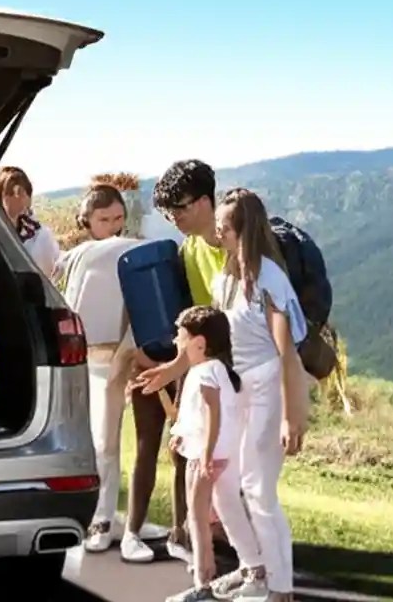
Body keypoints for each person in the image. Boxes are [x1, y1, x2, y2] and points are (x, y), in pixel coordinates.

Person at [138, 187, 312, 602]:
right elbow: (211, 343)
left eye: (224, 229)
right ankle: (253, 570)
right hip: (242, 386)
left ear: (244, 231)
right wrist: (170, 371)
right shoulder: (224, 280)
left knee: (257, 489)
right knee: (221, 481)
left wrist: (292, 415)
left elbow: (287, 354)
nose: (216, 235)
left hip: (270, 385)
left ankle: (281, 590)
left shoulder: (269, 280)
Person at [55, 183, 167, 561]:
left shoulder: (127, 252)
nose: (114, 226)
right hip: (79, 357)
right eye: (104, 219)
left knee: (107, 439)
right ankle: (95, 516)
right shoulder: (77, 257)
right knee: (89, 440)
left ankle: (104, 519)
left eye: (119, 218)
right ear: (87, 221)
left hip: (116, 356)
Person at [125, 159, 226, 565]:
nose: (174, 218)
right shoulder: (188, 251)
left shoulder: (236, 246)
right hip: (203, 370)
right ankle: (193, 540)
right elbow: (193, 326)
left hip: (238, 375)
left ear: (204, 201)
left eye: (179, 209)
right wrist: (169, 369)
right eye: (168, 212)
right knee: (188, 452)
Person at [156, 305, 253, 602]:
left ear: (199, 343)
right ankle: (255, 566)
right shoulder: (222, 370)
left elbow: (213, 412)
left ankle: (202, 584)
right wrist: (183, 438)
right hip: (222, 456)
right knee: (227, 511)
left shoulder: (203, 372)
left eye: (181, 337)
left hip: (205, 458)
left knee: (196, 518)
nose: (176, 342)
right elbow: (205, 416)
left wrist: (206, 454)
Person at [0, 166, 60, 278]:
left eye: (24, 192)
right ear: (0, 195)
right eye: (14, 192)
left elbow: (55, 262)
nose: (21, 197)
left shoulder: (38, 233)